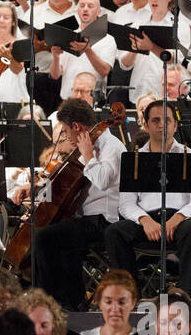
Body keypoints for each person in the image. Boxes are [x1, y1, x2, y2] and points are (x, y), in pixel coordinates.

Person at [27, 97, 124, 310]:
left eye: (65, 131)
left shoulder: (112, 147)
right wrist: (39, 190)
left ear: (76, 127)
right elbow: (67, 185)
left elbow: (103, 180)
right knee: (51, 234)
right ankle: (67, 301)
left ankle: (49, 302)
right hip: (83, 218)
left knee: (43, 238)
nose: (65, 136)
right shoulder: (84, 146)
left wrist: (88, 155)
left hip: (103, 220)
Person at [109, 98, 191, 296]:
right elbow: (126, 203)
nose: (162, 125)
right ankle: (130, 294)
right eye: (155, 120)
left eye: (167, 120)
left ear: (175, 125)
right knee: (115, 232)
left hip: (180, 220)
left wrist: (178, 218)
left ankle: (183, 294)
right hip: (147, 222)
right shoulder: (135, 159)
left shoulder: (190, 156)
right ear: (145, 125)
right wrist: (144, 219)